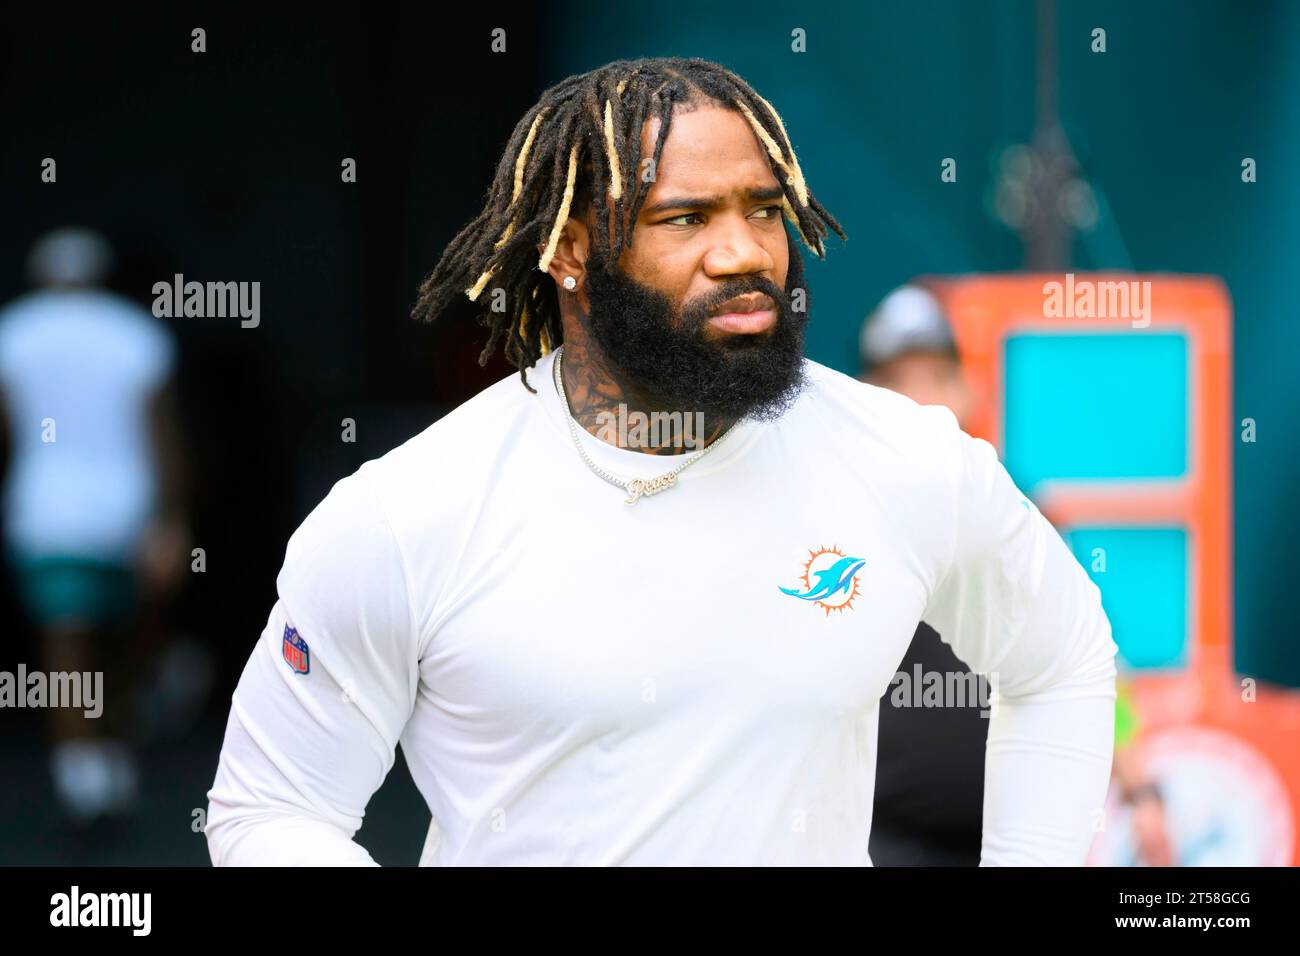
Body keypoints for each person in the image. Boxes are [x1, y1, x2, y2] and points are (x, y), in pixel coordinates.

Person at [205, 57, 1117, 866]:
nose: (745, 253)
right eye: (684, 217)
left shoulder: (907, 461)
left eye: (764, 209)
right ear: (568, 249)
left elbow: (1062, 657)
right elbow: (271, 809)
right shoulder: (406, 515)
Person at [0, 227, 189, 826]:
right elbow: (165, 442)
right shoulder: (136, 335)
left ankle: (82, 771)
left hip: (46, 513)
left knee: (68, 644)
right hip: (124, 514)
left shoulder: (13, 333)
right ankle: (103, 764)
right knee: (111, 647)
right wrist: (171, 519)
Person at [858, 284, 988, 865]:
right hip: (875, 843)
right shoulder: (830, 523)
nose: (917, 399)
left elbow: (1091, 661)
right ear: (862, 395)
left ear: (966, 389)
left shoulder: (1021, 520)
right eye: (895, 380)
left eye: (935, 376)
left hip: (1008, 845)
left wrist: (1139, 784)